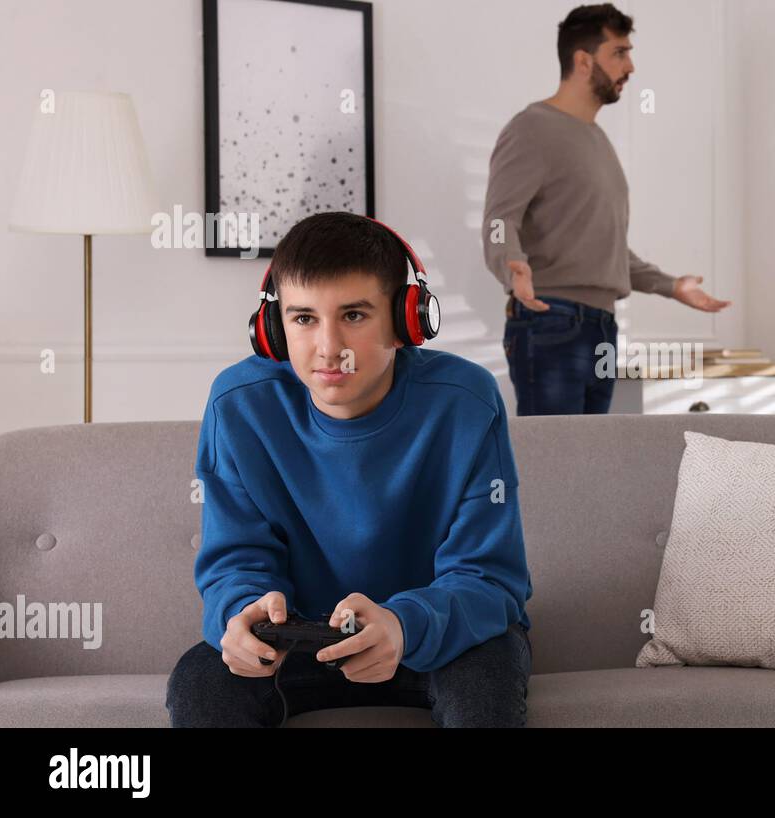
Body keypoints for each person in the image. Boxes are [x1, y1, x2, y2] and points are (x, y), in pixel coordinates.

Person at [165, 212, 533, 728]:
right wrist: (241, 611)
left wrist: (404, 624)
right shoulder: (239, 405)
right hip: (297, 643)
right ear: (273, 328)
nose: (328, 347)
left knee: (484, 682)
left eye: (354, 316)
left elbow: (489, 579)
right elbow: (235, 561)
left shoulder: (466, 402)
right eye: (303, 318)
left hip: (440, 639)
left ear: (407, 321)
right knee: (201, 681)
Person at [482, 3, 731, 416]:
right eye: (619, 52)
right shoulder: (532, 128)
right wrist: (510, 262)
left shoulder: (598, 142)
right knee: (561, 470)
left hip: (601, 325)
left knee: (591, 469)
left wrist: (672, 286)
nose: (630, 66)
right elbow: (498, 220)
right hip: (552, 320)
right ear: (583, 61)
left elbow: (606, 248)